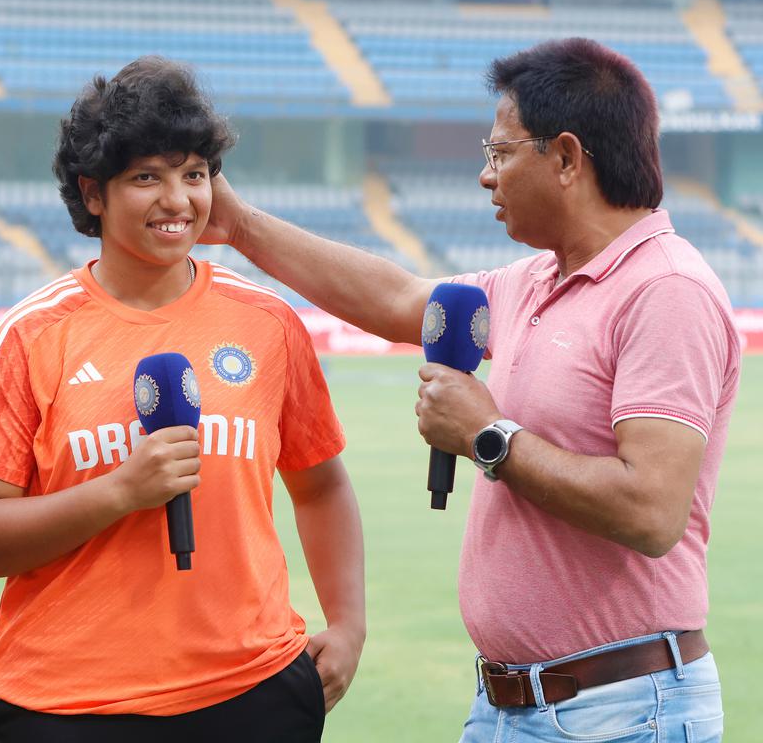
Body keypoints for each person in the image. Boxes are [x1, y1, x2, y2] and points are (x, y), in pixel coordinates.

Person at [201, 37, 739, 741]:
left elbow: (651, 511)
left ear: (568, 158)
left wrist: (488, 438)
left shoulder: (664, 291)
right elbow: (397, 297)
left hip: (620, 710)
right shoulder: (538, 280)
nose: (486, 177)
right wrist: (240, 226)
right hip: (513, 706)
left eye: (500, 153)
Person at [0, 56, 366, 742]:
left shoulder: (267, 324)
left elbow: (320, 488)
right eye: (147, 177)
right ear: (93, 194)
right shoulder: (28, 337)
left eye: (193, 173)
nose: (178, 200)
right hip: (70, 707)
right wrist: (119, 491)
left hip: (254, 694)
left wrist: (347, 626)